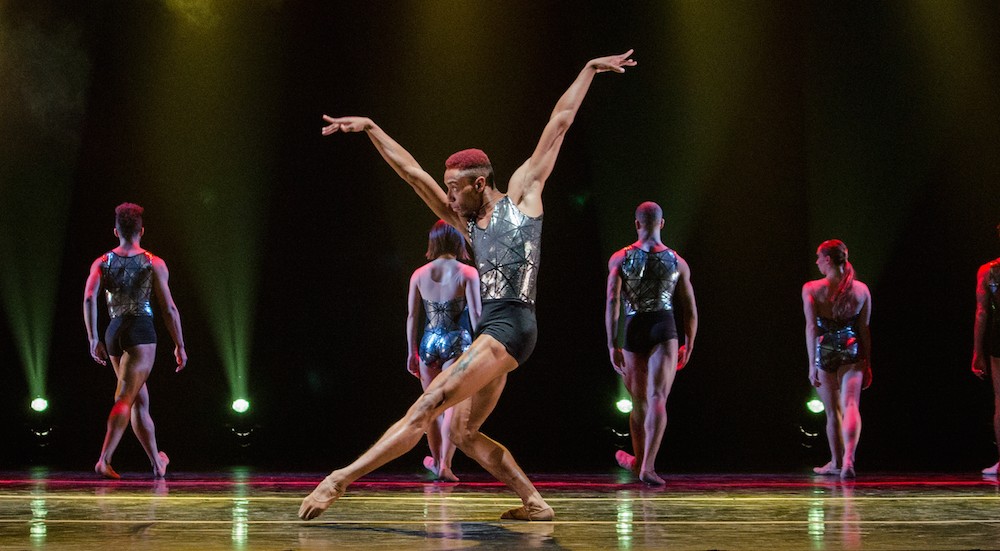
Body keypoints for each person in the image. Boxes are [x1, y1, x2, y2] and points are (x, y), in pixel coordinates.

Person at [299, 49, 636, 521]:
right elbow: (411, 175)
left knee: (429, 404)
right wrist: (373, 128)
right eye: (448, 188)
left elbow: (558, 123)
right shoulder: (466, 221)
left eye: (455, 187)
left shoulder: (522, 195)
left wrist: (588, 71)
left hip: (511, 326)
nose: (449, 196)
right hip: (498, 331)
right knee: (463, 434)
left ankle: (338, 481)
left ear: (480, 183)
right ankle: (534, 502)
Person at [83, 202, 187, 479]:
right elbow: (169, 308)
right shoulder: (154, 262)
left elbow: (90, 298)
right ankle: (104, 459)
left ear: (116, 231)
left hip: (114, 330)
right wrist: (180, 344)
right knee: (125, 398)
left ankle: (157, 461)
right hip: (140, 331)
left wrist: (94, 337)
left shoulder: (102, 262)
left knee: (139, 399)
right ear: (142, 230)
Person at [605, 201, 697, 485]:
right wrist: (690, 341)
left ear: (636, 224)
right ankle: (646, 466)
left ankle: (640, 463)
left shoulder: (619, 258)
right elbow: (689, 306)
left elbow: (613, 301)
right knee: (658, 398)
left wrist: (612, 343)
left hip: (634, 327)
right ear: (662, 223)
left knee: (639, 402)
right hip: (664, 326)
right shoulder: (677, 261)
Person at [407, 220, 482, 482]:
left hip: (428, 342)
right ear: (458, 240)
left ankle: (437, 460)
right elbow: (476, 314)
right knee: (453, 407)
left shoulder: (419, 274)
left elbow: (411, 317)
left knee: (432, 408)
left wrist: (410, 351)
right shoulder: (467, 273)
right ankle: (445, 465)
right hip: (457, 343)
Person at [803, 239, 872, 479]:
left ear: (828, 260)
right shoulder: (862, 290)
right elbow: (864, 329)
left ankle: (836, 461)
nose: (817, 262)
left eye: (819, 257)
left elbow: (812, 327)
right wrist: (868, 361)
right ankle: (849, 461)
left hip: (826, 351)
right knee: (851, 404)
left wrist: (812, 364)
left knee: (832, 412)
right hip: (852, 351)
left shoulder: (811, 288)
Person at [972, 223, 1000, 475]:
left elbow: (982, 313)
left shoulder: (990, 271)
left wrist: (977, 352)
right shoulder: (988, 271)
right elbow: (981, 313)